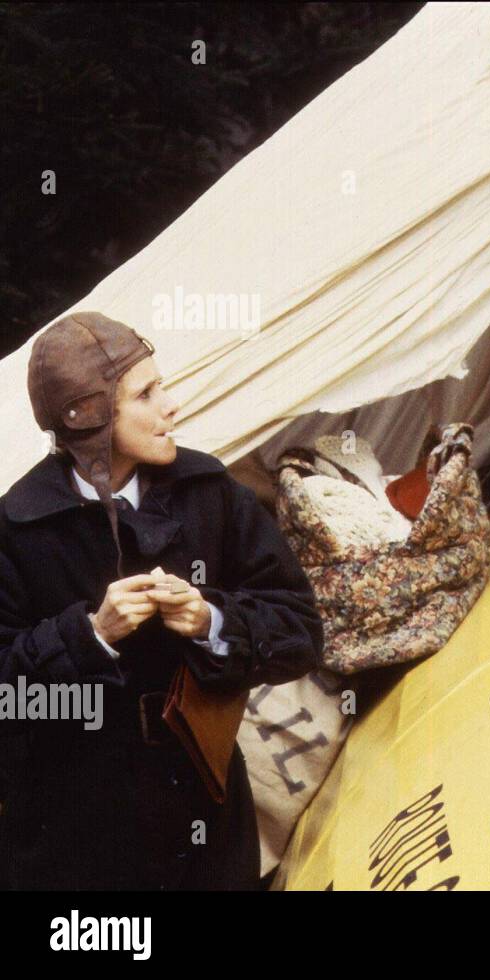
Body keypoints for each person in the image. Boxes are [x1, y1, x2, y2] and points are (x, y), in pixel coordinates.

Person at [0, 311, 323, 889]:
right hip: (75, 841)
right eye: (147, 394)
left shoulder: (211, 493)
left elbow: (300, 631)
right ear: (91, 419)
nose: (171, 406)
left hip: (203, 817)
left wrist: (211, 620)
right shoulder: (15, 531)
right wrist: (89, 635)